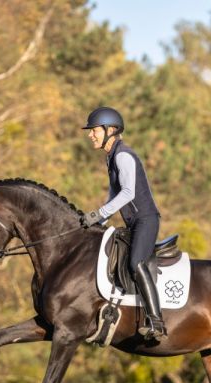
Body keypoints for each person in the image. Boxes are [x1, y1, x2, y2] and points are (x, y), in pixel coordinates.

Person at [79, 107, 167, 343]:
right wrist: (99, 222)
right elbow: (112, 196)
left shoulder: (123, 155)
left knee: (136, 263)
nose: (90, 135)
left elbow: (128, 192)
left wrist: (99, 213)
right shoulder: (111, 158)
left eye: (94, 130)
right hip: (134, 222)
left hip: (146, 220)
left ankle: (157, 322)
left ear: (111, 130)